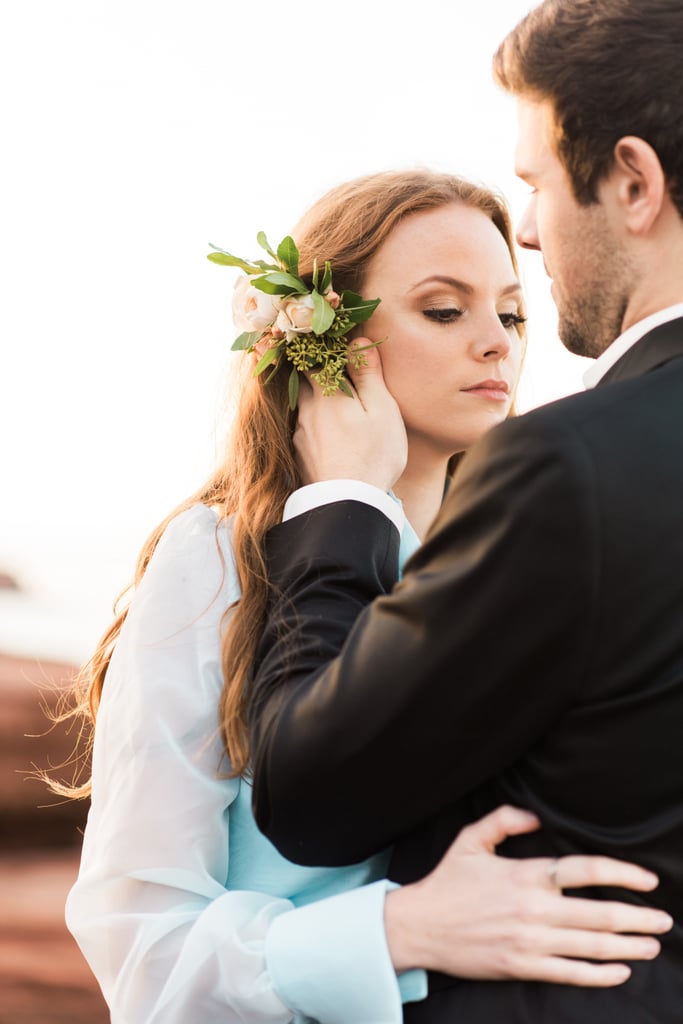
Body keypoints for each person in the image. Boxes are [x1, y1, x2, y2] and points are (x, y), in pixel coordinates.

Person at [62, 170, 670, 1024]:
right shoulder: (218, 558)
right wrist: (391, 932)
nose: (497, 342)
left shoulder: (525, 559)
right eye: (443, 309)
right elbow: (141, 944)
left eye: (511, 312)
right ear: (332, 345)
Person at [247, 4, 683, 1022]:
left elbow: (308, 789)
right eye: (444, 308)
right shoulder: (199, 556)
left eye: (533, 180)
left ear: (629, 180)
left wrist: (338, 502)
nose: (529, 229)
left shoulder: (568, 466)